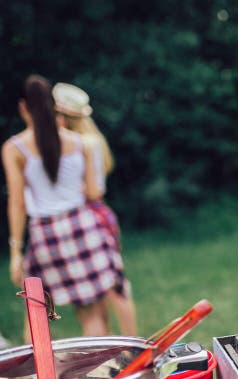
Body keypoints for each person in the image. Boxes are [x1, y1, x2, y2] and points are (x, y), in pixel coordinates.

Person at [2, 75, 129, 338]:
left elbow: (17, 203)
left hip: (45, 233)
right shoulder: (80, 142)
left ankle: (42, 377)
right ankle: (100, 376)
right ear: (54, 106)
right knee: (92, 316)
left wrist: (15, 250)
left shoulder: (14, 148)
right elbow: (94, 192)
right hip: (82, 226)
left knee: (36, 319)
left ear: (23, 107)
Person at [52, 82, 138, 336]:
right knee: (103, 287)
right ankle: (112, 341)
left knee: (112, 285)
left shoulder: (80, 143)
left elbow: (91, 189)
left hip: (90, 216)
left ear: (64, 116)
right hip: (99, 214)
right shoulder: (91, 139)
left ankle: (130, 342)